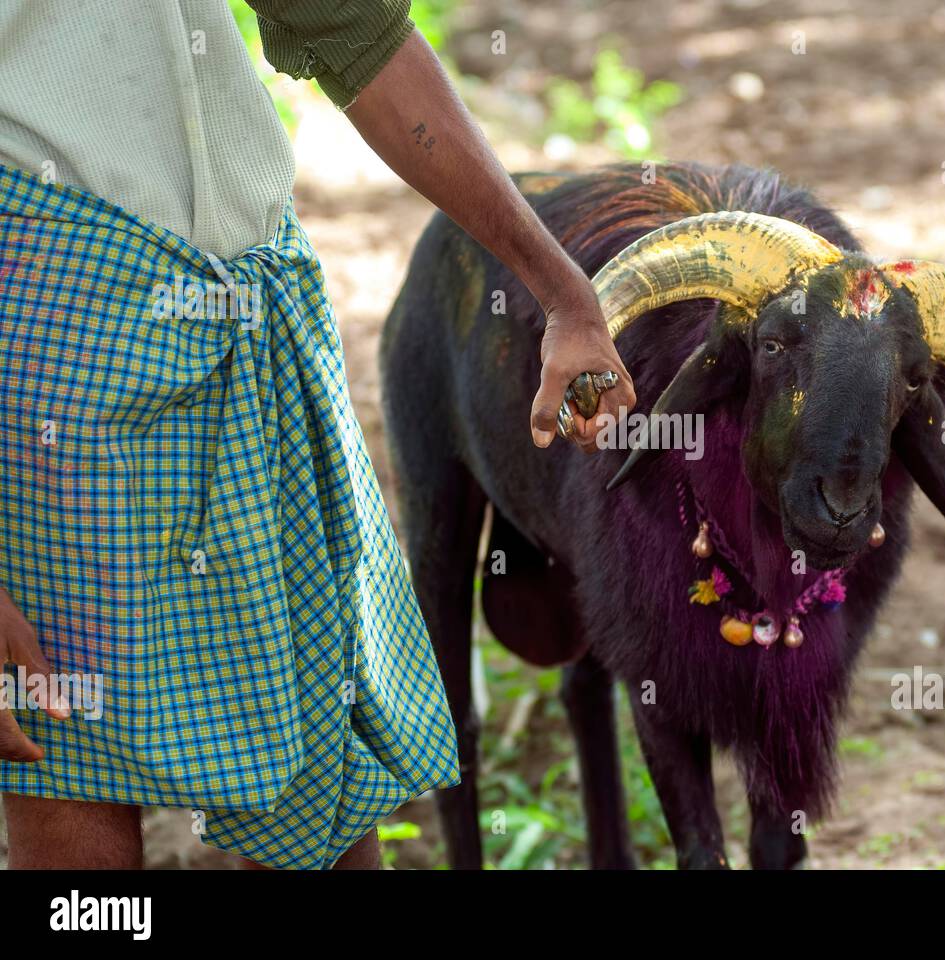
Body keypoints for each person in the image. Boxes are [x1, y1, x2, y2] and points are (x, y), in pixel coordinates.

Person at [0, 0, 634, 869]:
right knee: (68, 763)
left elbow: (357, 36)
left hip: (257, 319)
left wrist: (563, 291)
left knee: (326, 774)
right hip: (46, 343)